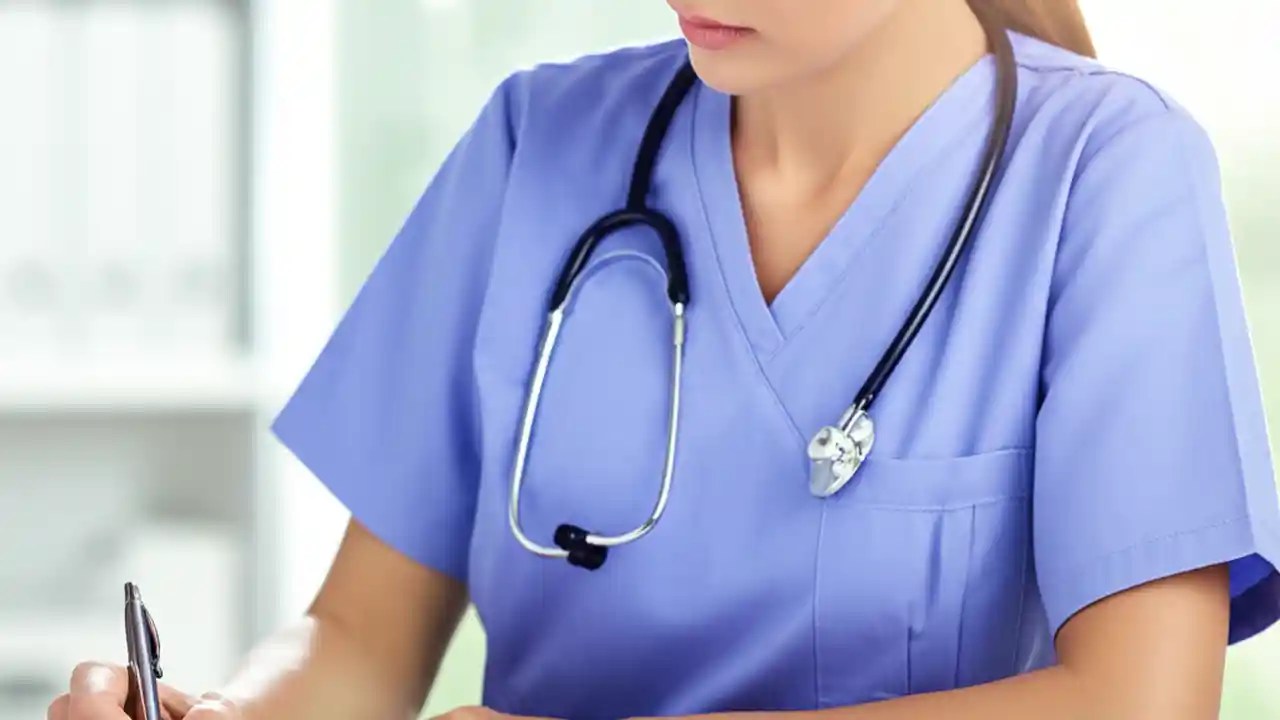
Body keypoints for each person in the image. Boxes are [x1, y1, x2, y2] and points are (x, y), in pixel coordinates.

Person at [50, 1, 1280, 719]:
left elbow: (1137, 704)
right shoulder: (539, 142)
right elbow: (361, 639)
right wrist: (226, 714)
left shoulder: (1103, 172)